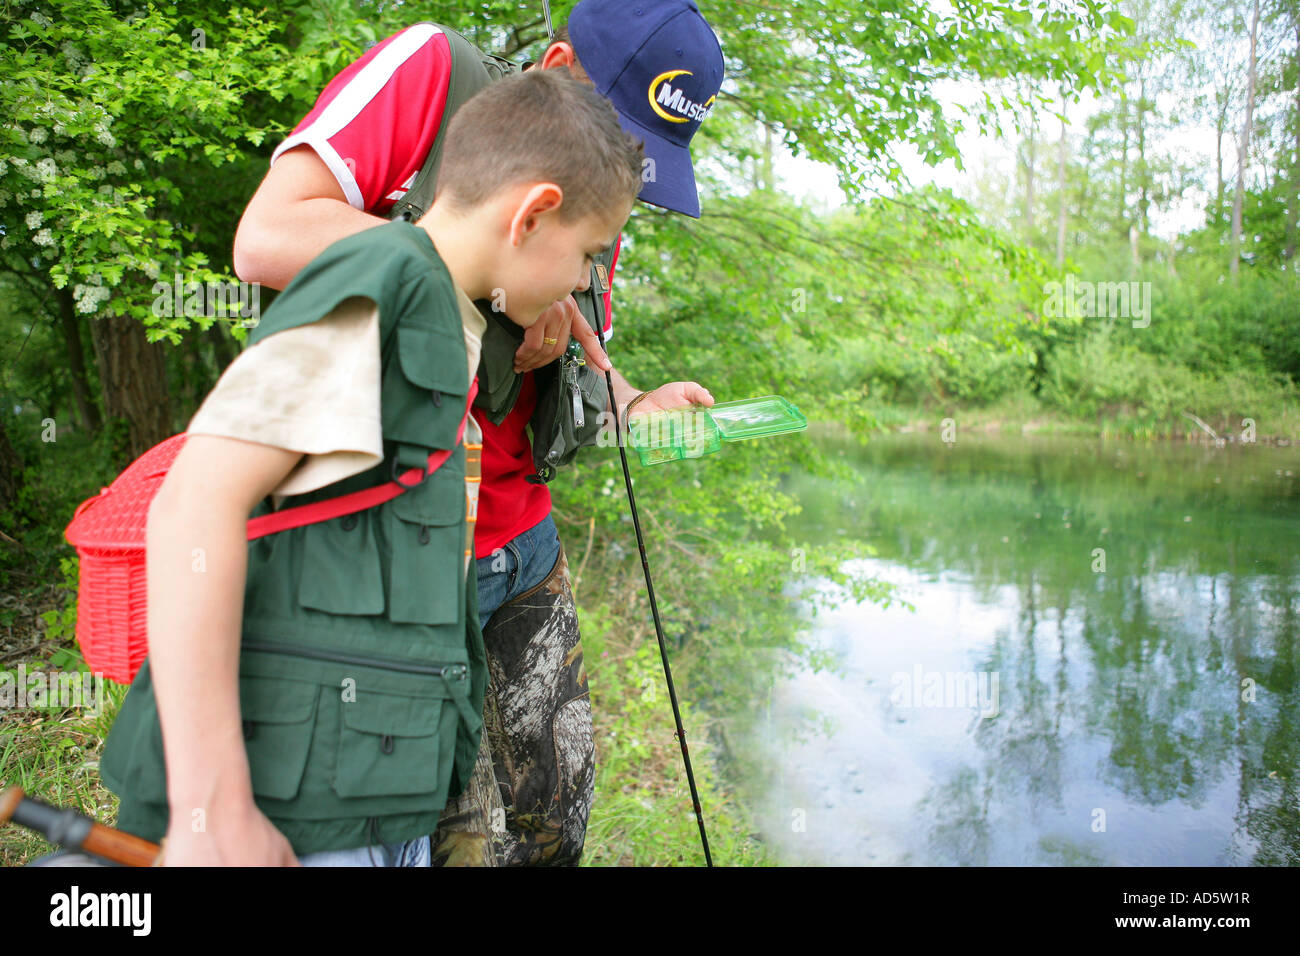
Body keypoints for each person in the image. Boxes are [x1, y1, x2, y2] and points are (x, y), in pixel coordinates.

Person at [98, 69, 646, 866]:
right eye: (588, 255)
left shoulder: (451, 316)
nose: (581, 284)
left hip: (362, 799)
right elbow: (195, 505)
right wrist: (209, 807)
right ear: (533, 214)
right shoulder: (383, 282)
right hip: (277, 806)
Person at [232, 1, 725, 865]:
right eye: (620, 136)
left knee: (554, 818)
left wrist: (625, 398)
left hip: (523, 542)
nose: (620, 177)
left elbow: (563, 337)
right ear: (562, 64)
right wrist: (478, 286)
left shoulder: (590, 188)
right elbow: (267, 238)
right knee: (451, 834)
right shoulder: (435, 73)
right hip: (408, 551)